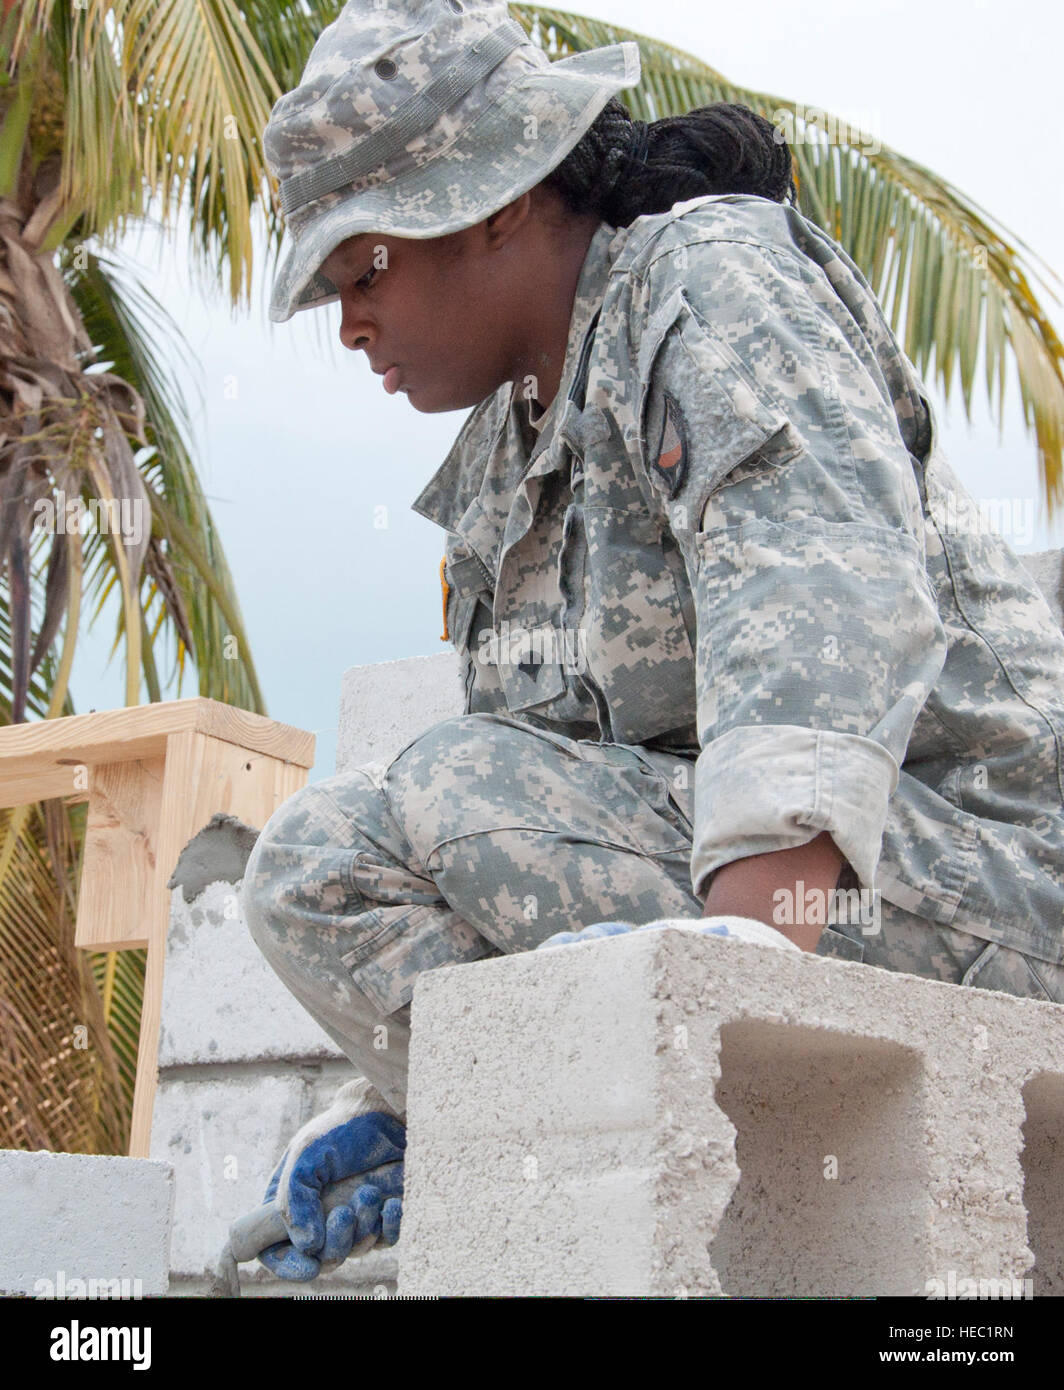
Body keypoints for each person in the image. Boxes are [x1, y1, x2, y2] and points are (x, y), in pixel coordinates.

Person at [240, 0, 1064, 1281]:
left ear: (496, 200)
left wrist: (740, 953)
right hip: (795, 898)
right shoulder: (505, 462)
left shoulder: (708, 279)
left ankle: (579, 1088)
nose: (349, 323)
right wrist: (437, 1106)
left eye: (362, 269)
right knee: (315, 866)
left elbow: (824, 595)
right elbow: (565, 786)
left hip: (988, 880)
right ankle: (486, 1134)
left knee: (450, 787)